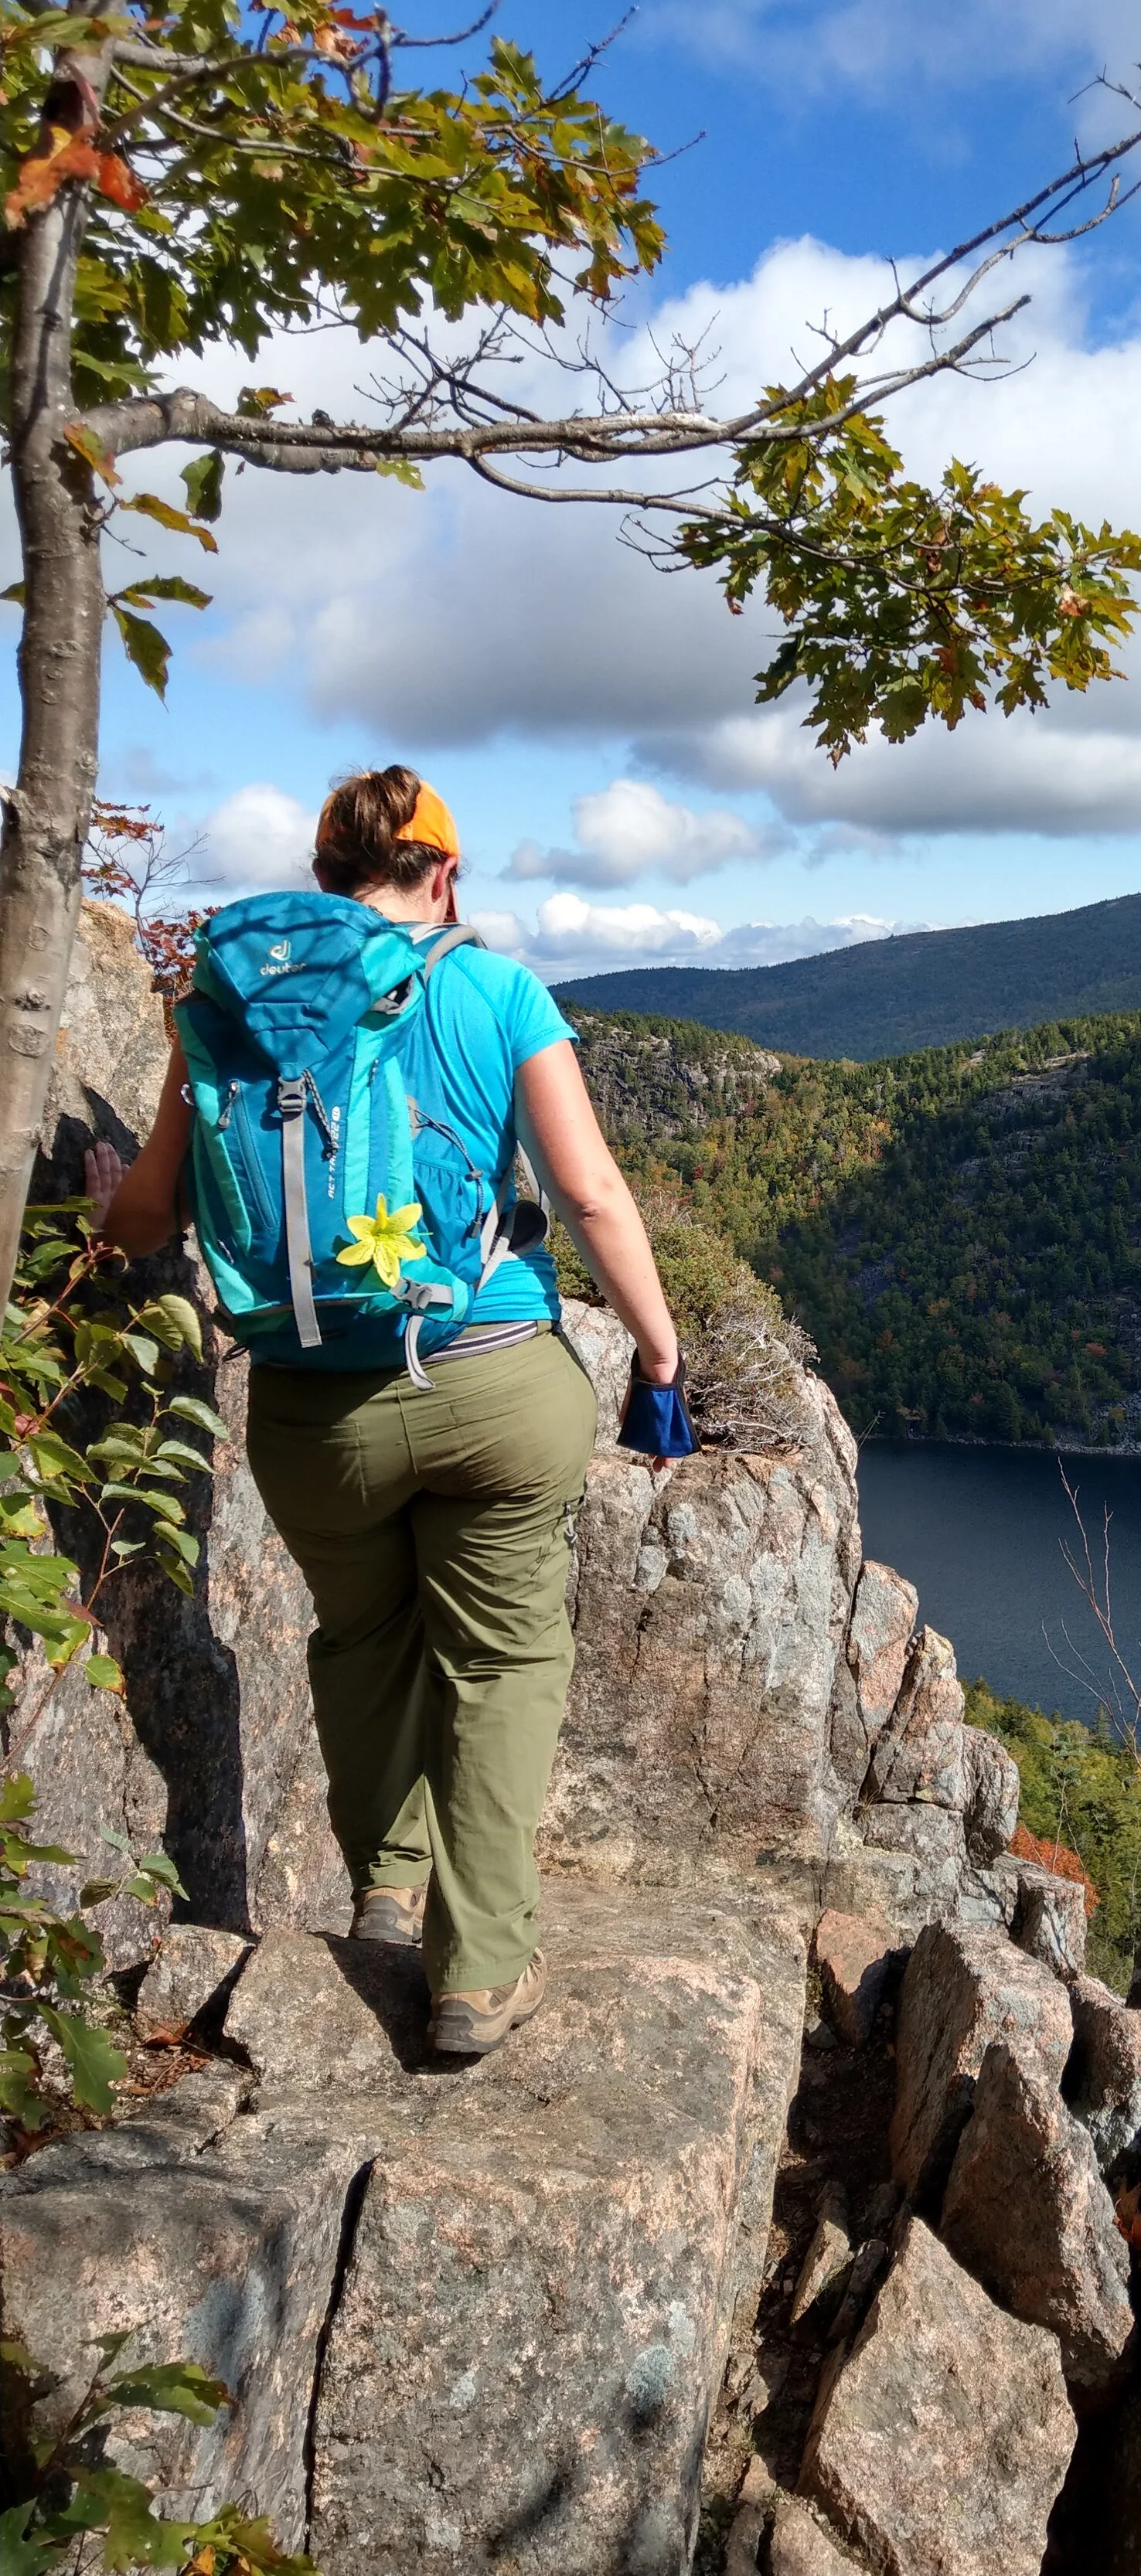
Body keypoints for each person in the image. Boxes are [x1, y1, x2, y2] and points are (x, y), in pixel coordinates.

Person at [87, 767, 681, 2055]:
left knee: (363, 1644)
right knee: (501, 1662)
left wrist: (92, 1203)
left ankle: (388, 1890)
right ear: (445, 873)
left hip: (318, 1412)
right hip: (495, 1384)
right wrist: (661, 1347)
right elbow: (589, 1196)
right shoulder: (495, 987)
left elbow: (146, 1213)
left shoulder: (233, 1001)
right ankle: (478, 1974)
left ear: (321, 878)